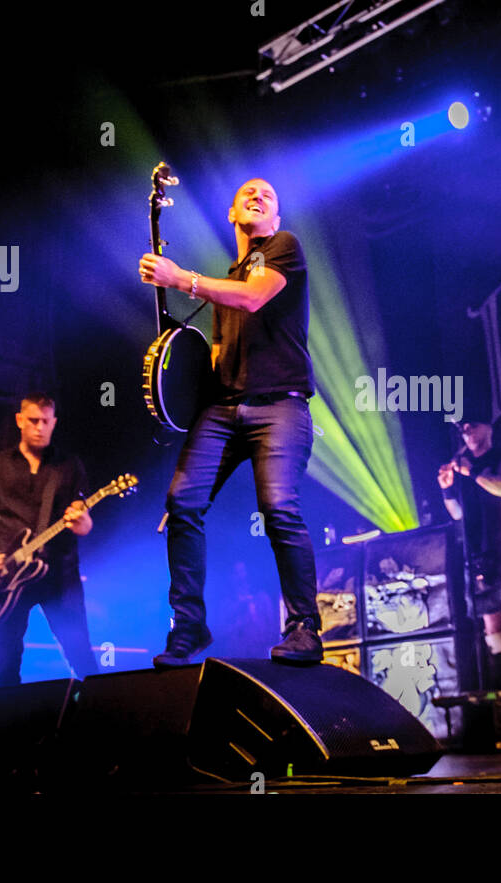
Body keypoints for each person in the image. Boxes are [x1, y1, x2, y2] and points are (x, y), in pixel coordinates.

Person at [139, 177, 323, 666]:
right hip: (223, 408)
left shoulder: (283, 248)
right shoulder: (230, 275)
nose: (258, 195)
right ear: (231, 214)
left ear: (276, 219)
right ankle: (190, 628)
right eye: (248, 192)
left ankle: (305, 628)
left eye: (269, 194)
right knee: (182, 503)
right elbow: (218, 356)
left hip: (280, 405)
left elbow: (253, 297)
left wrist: (181, 280)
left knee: (279, 507)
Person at [0, 394, 99, 688]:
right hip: (8, 578)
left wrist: (81, 521)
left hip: (59, 575)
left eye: (45, 422)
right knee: (4, 667)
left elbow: (84, 523)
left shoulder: (69, 466)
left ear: (54, 423)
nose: (39, 427)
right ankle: (6, 729)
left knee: (83, 659)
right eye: (33, 421)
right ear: (19, 421)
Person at [437, 419, 501, 689]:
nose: (466, 432)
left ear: (487, 427)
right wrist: (446, 487)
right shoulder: (463, 468)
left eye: (472, 425)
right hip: (477, 553)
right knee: (490, 618)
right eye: (463, 429)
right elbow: (457, 513)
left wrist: (473, 472)